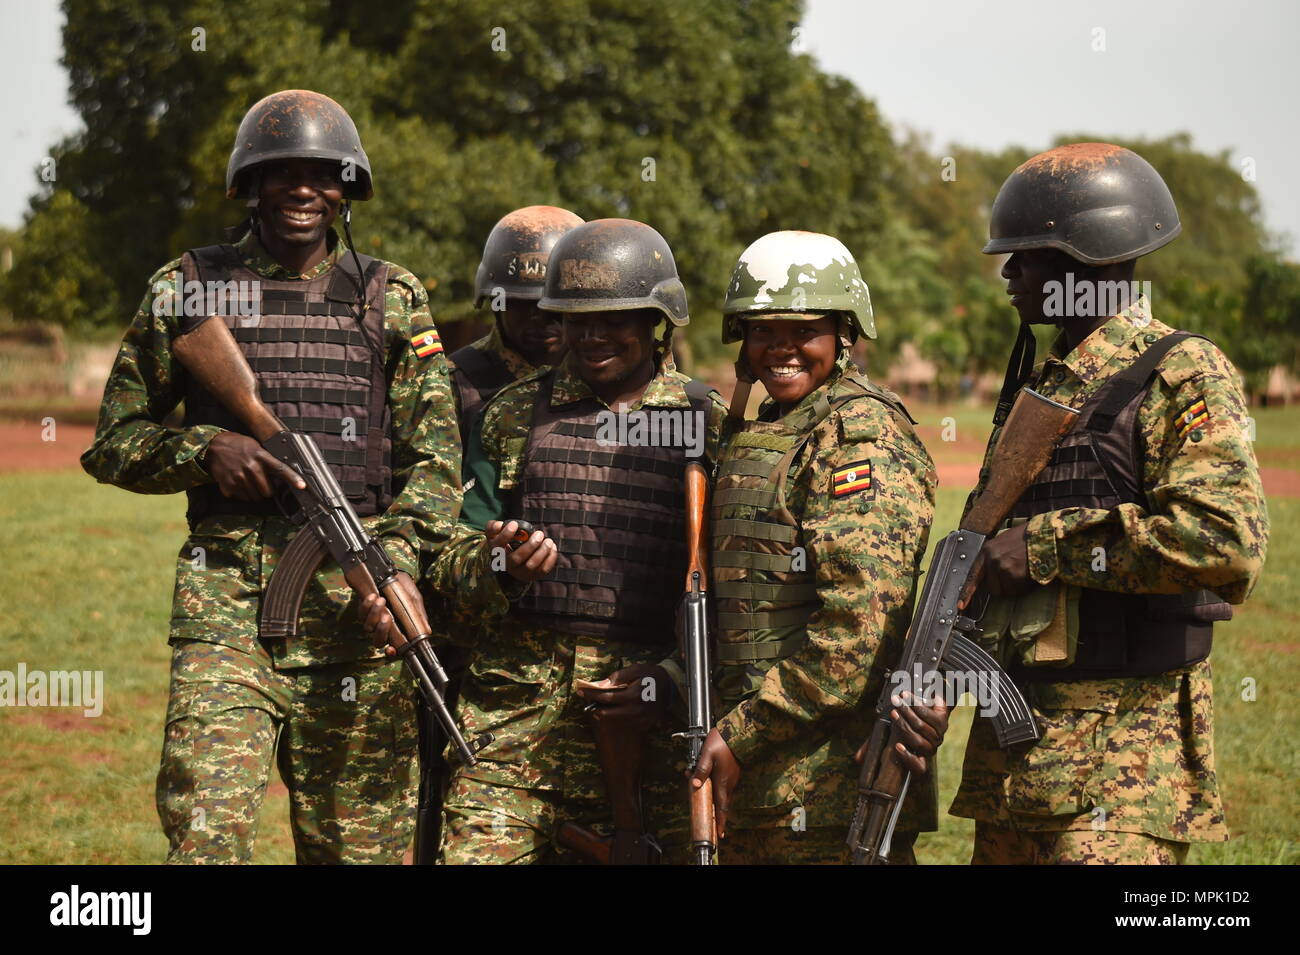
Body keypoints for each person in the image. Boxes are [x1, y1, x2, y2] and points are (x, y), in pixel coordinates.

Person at [80, 89, 546, 864]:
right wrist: (204, 450)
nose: (303, 189)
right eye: (281, 172)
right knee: (207, 838)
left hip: (359, 627)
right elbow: (112, 442)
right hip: (226, 616)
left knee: (355, 851)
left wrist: (387, 566)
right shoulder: (189, 289)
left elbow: (434, 467)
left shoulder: (391, 300)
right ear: (251, 183)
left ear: (347, 188)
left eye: (321, 174)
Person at [952, 142, 1269, 864]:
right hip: (1015, 767)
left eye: (1024, 259)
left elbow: (1224, 544)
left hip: (1122, 775)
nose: (1007, 275)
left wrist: (1040, 549)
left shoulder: (1180, 372)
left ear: (1081, 263)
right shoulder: (1046, 385)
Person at [438, 218, 727, 864]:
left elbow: (733, 583)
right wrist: (498, 564)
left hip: (654, 733)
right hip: (514, 731)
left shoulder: (705, 422)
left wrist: (673, 676)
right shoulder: (511, 414)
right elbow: (446, 566)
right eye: (575, 318)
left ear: (657, 320)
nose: (592, 335)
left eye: (615, 317)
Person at [689, 230, 948, 865]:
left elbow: (857, 633)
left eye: (802, 328)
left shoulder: (859, 434)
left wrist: (741, 735)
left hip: (832, 791)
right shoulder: (762, 430)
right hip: (756, 782)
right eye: (762, 330)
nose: (780, 347)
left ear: (844, 331)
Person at [413, 204, 583, 861]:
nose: (542, 323)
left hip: (581, 640)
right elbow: (430, 519)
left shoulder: (607, 384)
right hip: (470, 639)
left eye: (556, 305)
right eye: (524, 305)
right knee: (451, 800)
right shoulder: (453, 385)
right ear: (494, 301)